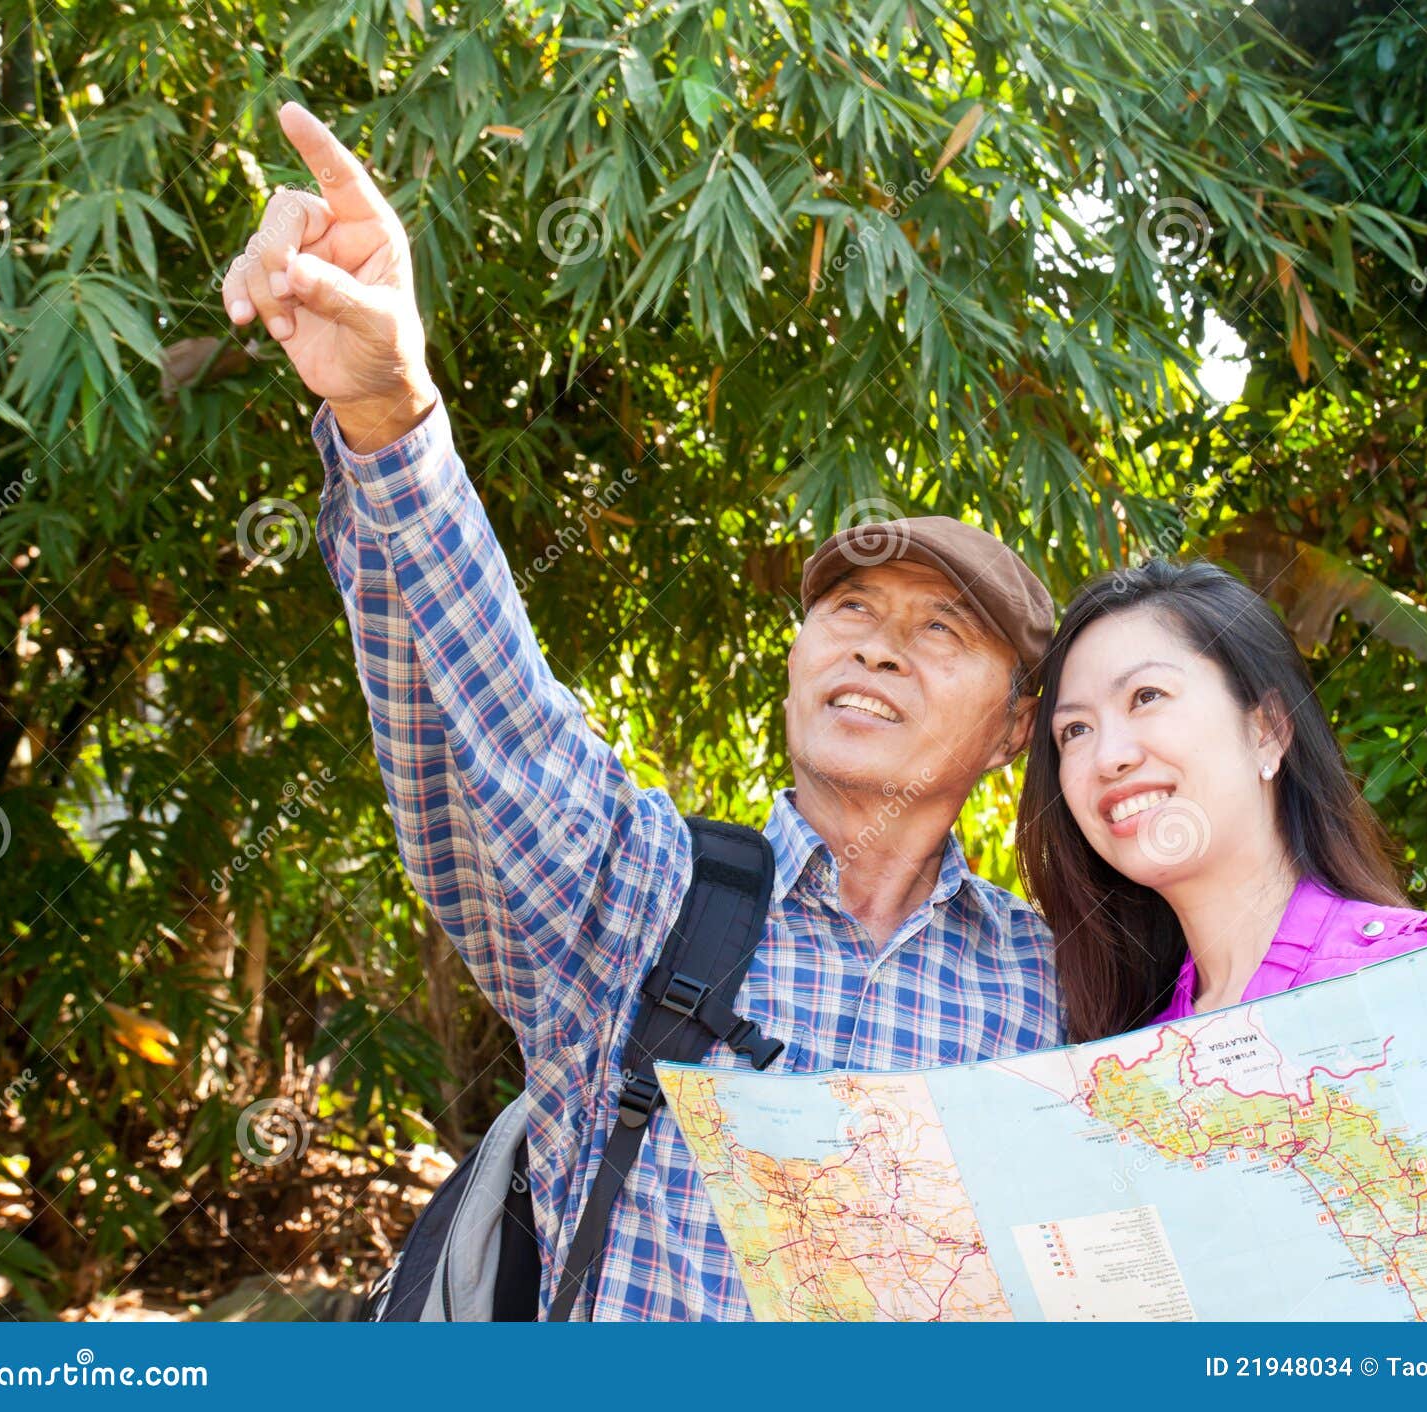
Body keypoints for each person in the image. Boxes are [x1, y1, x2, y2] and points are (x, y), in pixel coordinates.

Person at [219, 100, 1065, 1320]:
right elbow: (504, 720)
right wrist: (391, 411)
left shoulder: (1062, 990)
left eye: (940, 629)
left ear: (1013, 730)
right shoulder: (644, 895)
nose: (878, 646)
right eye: (849, 610)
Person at [1016, 557, 1427, 1045]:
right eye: (1075, 730)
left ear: (1268, 730)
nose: (1108, 757)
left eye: (1146, 696)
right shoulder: (1122, 1066)